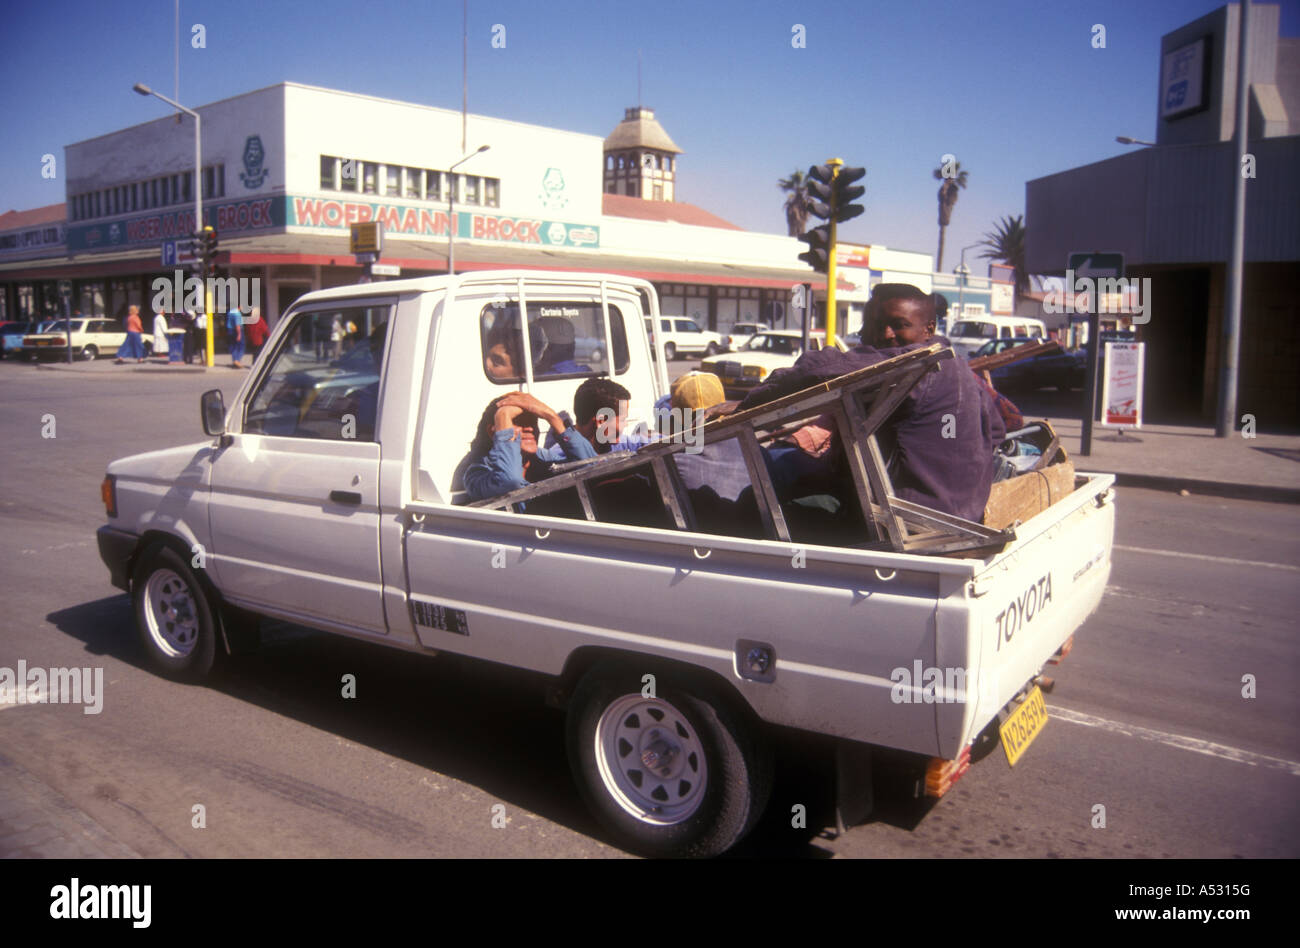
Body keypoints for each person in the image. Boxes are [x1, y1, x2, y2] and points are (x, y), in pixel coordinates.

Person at [739, 284, 1005, 524]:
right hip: (963, 517)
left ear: (929, 328)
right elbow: (995, 431)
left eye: (899, 324)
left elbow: (819, 368)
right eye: (878, 326)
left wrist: (747, 405)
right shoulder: (960, 369)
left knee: (757, 499)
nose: (887, 334)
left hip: (907, 522)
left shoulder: (913, 363)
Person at [463, 392, 597, 506]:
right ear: (494, 432)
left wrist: (551, 417)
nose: (530, 428)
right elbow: (510, 481)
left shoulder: (541, 459)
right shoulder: (477, 473)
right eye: (518, 422)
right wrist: (503, 415)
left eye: (533, 422)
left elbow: (592, 467)